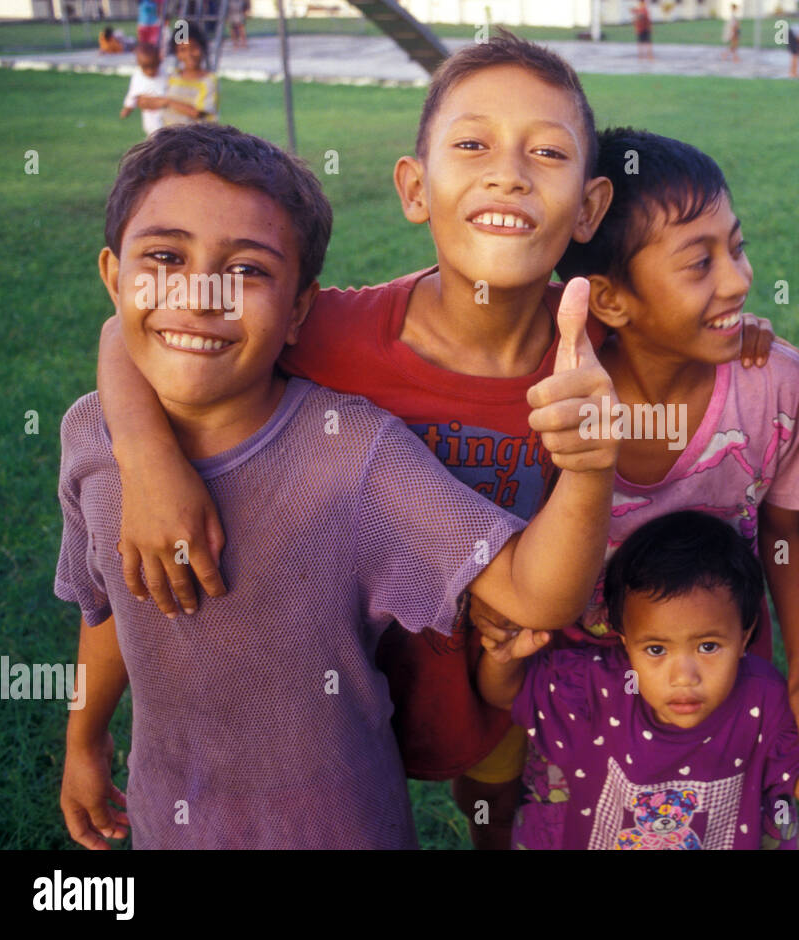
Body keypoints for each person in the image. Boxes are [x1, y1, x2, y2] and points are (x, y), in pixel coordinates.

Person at [94, 33, 775, 850]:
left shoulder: (601, 334)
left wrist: (733, 324)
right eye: (473, 143)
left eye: (547, 152)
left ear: (590, 207)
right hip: (350, 702)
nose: (508, 172)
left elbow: (692, 320)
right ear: (416, 188)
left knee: (506, 814)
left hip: (518, 674)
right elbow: (139, 328)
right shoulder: (335, 330)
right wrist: (146, 458)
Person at [57, 123, 618, 850]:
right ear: (113, 276)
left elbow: (536, 597)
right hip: (171, 818)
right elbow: (106, 607)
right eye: (165, 257)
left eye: (250, 271)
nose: (199, 293)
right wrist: (85, 740)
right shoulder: (87, 436)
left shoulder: (353, 454)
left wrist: (589, 463)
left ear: (298, 310)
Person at [497, 128, 799, 848]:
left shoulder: (774, 387)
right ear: (613, 303)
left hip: (722, 685)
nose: (740, 280)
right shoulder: (556, 404)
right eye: (700, 262)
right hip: (580, 699)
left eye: (736, 247)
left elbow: (783, 535)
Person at [477, 511, 799, 849]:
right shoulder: (593, 686)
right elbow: (506, 694)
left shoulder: (763, 700)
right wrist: (502, 657)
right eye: (656, 650)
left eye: (708, 647)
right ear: (625, 643)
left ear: (745, 636)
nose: (683, 677)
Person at [161, 21, 218, 126]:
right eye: (183, 50)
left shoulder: (208, 81)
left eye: (194, 48)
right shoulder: (172, 77)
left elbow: (197, 113)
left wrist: (167, 102)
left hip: (198, 139)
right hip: (169, 137)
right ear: (176, 53)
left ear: (202, 48)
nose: (189, 54)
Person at [120, 43, 167, 137]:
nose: (150, 71)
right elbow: (132, 94)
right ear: (139, 64)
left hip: (166, 109)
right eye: (146, 68)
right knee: (154, 133)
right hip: (150, 113)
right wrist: (128, 108)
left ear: (159, 62)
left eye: (154, 66)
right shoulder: (138, 77)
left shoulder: (163, 73)